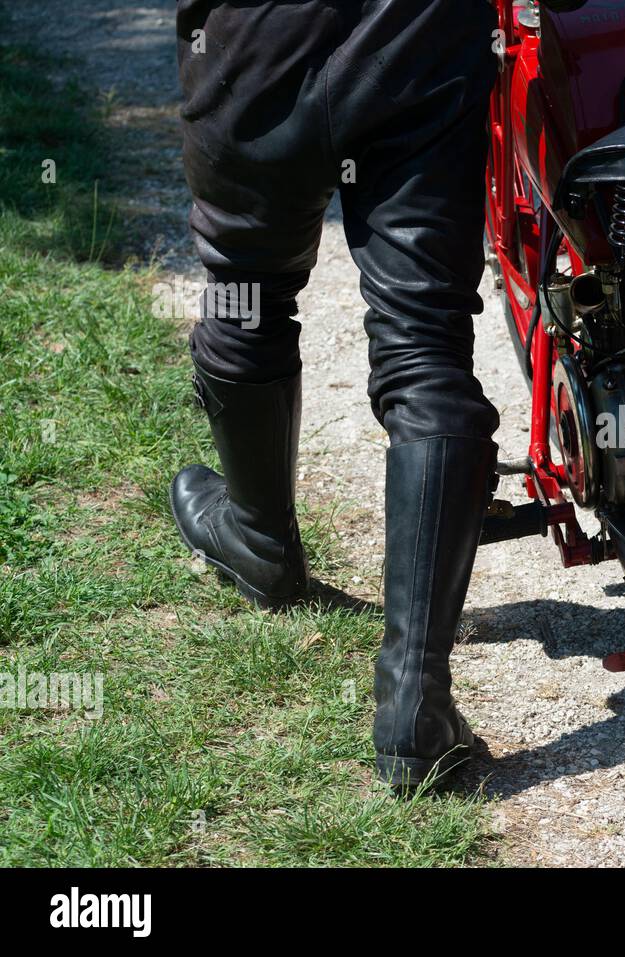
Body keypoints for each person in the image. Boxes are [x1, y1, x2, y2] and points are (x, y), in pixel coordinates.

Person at [168, 0, 500, 794]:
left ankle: (257, 537)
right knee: (426, 342)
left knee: (244, 289)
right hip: (422, 38)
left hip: (254, 40)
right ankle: (414, 699)